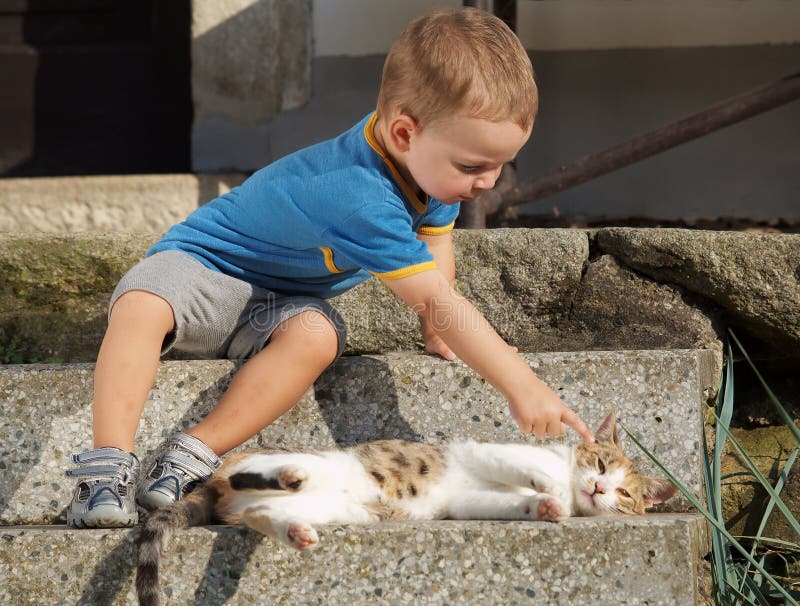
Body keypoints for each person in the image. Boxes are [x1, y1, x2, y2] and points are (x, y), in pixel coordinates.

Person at [65, 7, 593, 529]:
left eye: (499, 165)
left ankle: (190, 453)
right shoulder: (359, 194)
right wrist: (520, 383)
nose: (488, 182)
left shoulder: (434, 169)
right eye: (475, 166)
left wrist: (435, 332)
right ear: (405, 133)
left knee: (318, 334)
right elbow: (438, 298)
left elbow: (437, 247)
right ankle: (107, 464)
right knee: (141, 305)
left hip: (271, 305)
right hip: (200, 271)